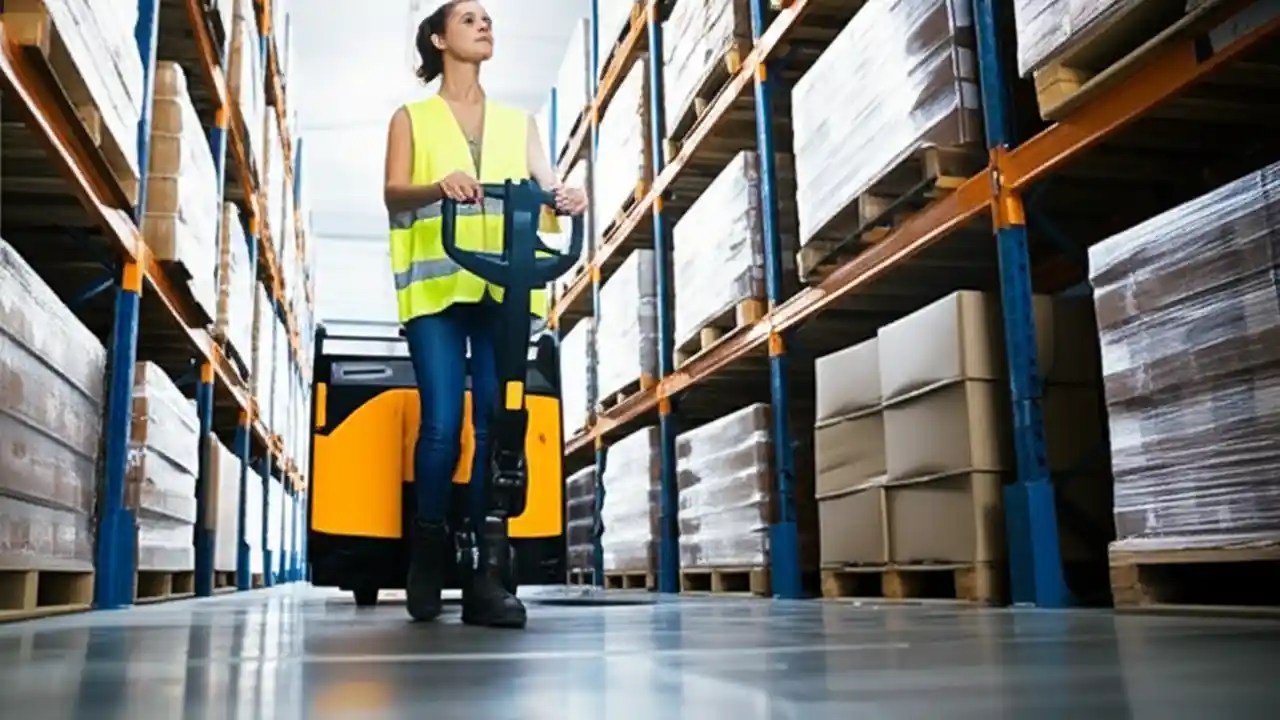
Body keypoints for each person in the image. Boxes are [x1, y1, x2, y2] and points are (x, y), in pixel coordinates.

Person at [383, 0, 588, 628]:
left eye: (489, 19)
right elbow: (393, 195)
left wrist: (567, 196)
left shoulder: (517, 122)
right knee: (444, 426)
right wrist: (437, 185)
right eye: (470, 19)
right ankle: (427, 551)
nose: (484, 25)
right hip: (437, 293)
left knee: (500, 425)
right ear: (439, 39)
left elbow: (546, 185)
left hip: (505, 293)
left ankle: (484, 570)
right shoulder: (411, 117)